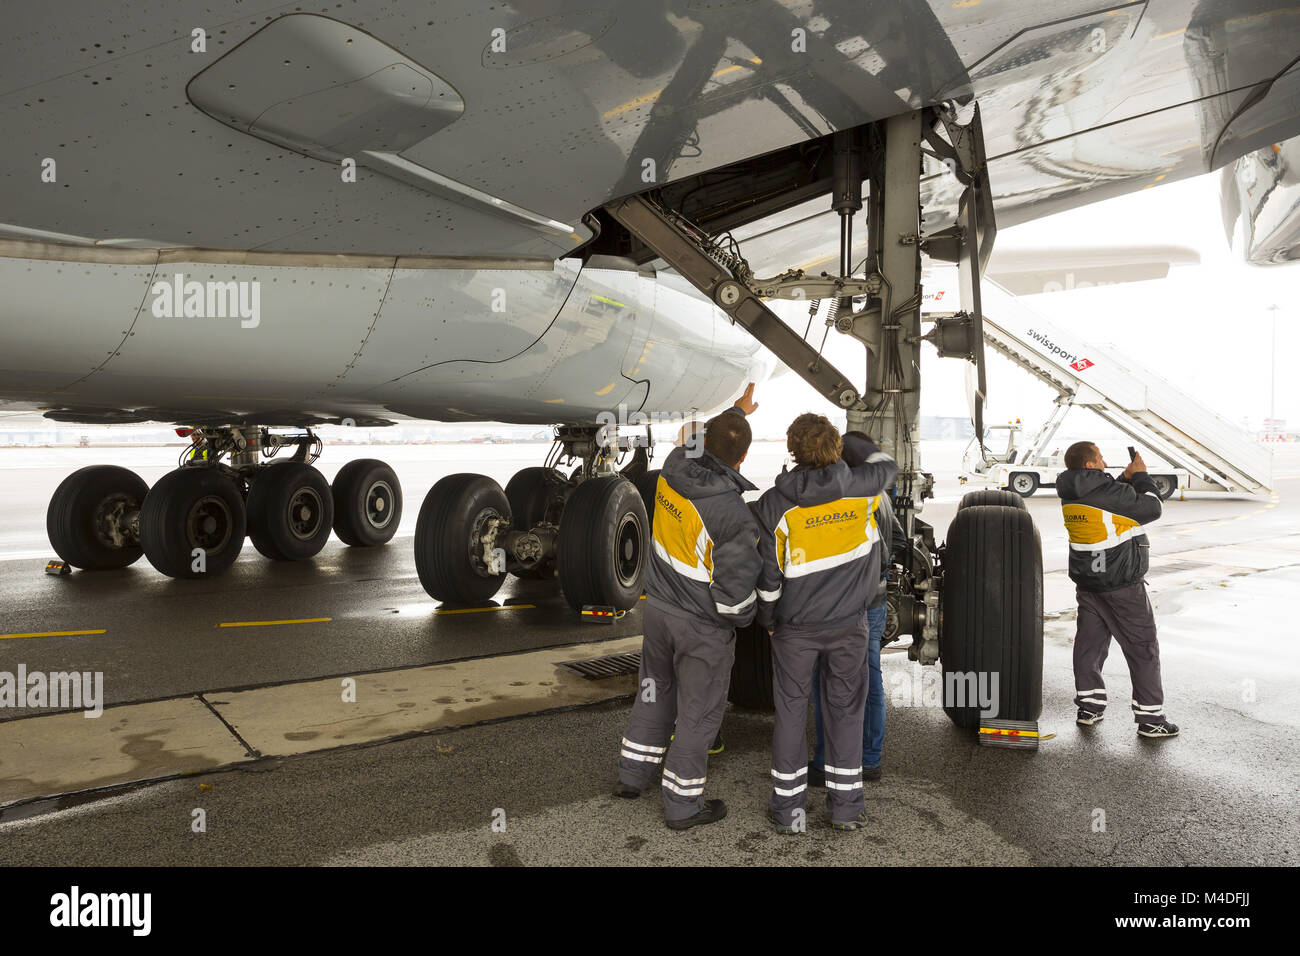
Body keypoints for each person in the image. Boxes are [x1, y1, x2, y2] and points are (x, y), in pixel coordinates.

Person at [614, 384, 762, 830]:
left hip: (658, 612)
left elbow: (698, 437)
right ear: (742, 459)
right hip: (701, 628)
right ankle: (682, 805)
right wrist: (752, 618)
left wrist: (736, 412)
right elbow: (735, 599)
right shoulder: (733, 517)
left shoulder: (673, 468)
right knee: (698, 714)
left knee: (653, 691)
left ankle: (632, 776)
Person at [754, 415, 898, 833]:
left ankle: (788, 811)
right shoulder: (864, 488)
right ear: (836, 449)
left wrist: (768, 620)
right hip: (849, 625)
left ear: (792, 450)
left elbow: (769, 577)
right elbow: (886, 463)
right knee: (846, 712)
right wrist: (849, 443)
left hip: (794, 629)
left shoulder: (774, 505)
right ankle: (846, 809)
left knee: (791, 712)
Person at [1056, 442, 1178, 738]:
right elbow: (1153, 507)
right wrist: (1141, 475)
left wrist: (1125, 477)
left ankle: (1089, 707)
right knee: (1143, 647)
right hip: (1120, 584)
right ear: (1089, 465)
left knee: (1089, 646)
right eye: (1100, 458)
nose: (1104, 461)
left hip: (1089, 583)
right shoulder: (1105, 492)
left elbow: (1107, 499)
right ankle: (1150, 718)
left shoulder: (1071, 490)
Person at [808, 433, 904, 786]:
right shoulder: (880, 495)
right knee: (869, 680)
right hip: (874, 601)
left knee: (828, 682)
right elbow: (897, 543)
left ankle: (827, 760)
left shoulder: (853, 496)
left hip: (846, 603)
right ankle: (869, 759)